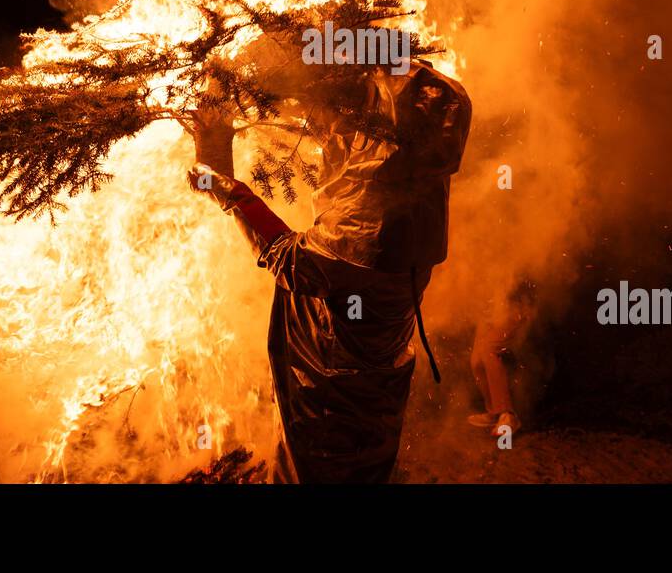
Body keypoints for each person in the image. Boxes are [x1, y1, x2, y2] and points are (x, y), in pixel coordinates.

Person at [186, 59, 471, 483]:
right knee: (366, 464)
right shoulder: (415, 181)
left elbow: (294, 264)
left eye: (357, 126)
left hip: (331, 393)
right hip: (374, 382)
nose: (339, 132)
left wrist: (235, 196)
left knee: (324, 469)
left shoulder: (374, 221)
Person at [469, 276, 537, 437]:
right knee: (477, 360)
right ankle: (494, 412)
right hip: (489, 308)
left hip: (513, 307)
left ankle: (508, 415)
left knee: (488, 349)